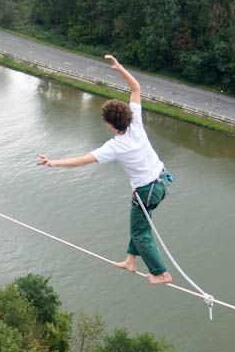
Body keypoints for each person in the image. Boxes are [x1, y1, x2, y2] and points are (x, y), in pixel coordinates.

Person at [36, 55, 173, 285]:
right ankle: (130, 261)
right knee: (137, 223)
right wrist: (119, 67)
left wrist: (52, 162)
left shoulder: (115, 146)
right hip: (161, 182)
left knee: (141, 233)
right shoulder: (136, 124)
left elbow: (81, 160)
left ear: (110, 124)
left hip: (146, 190)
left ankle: (161, 273)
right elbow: (136, 87)